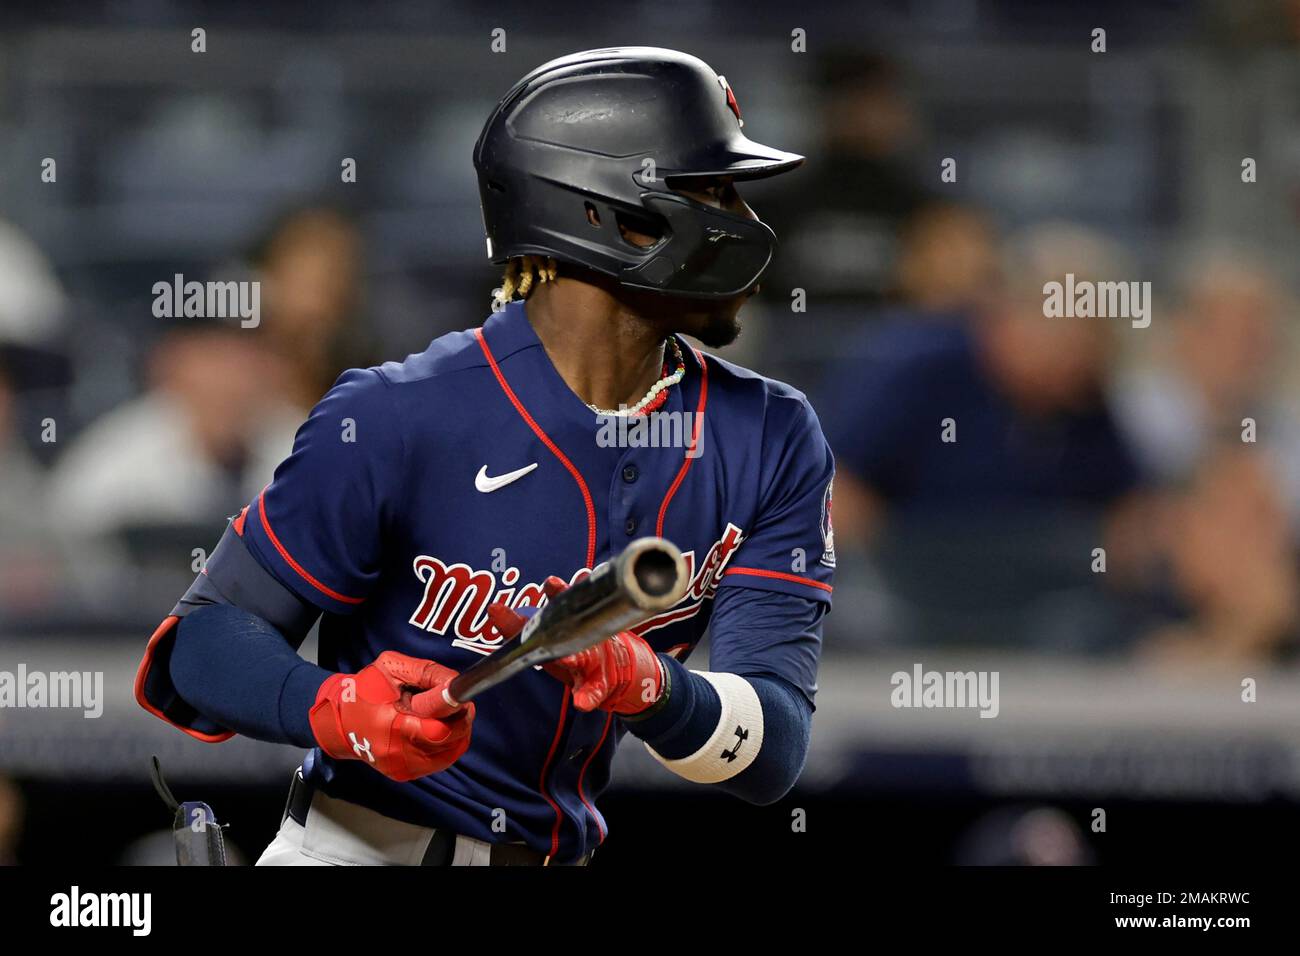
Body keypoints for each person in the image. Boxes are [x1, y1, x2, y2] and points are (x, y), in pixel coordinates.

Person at [136, 47, 835, 866]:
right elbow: (203, 645)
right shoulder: (397, 412)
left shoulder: (772, 434)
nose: (742, 223)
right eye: (709, 192)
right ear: (602, 210)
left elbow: (774, 752)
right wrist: (335, 705)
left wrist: (653, 688)